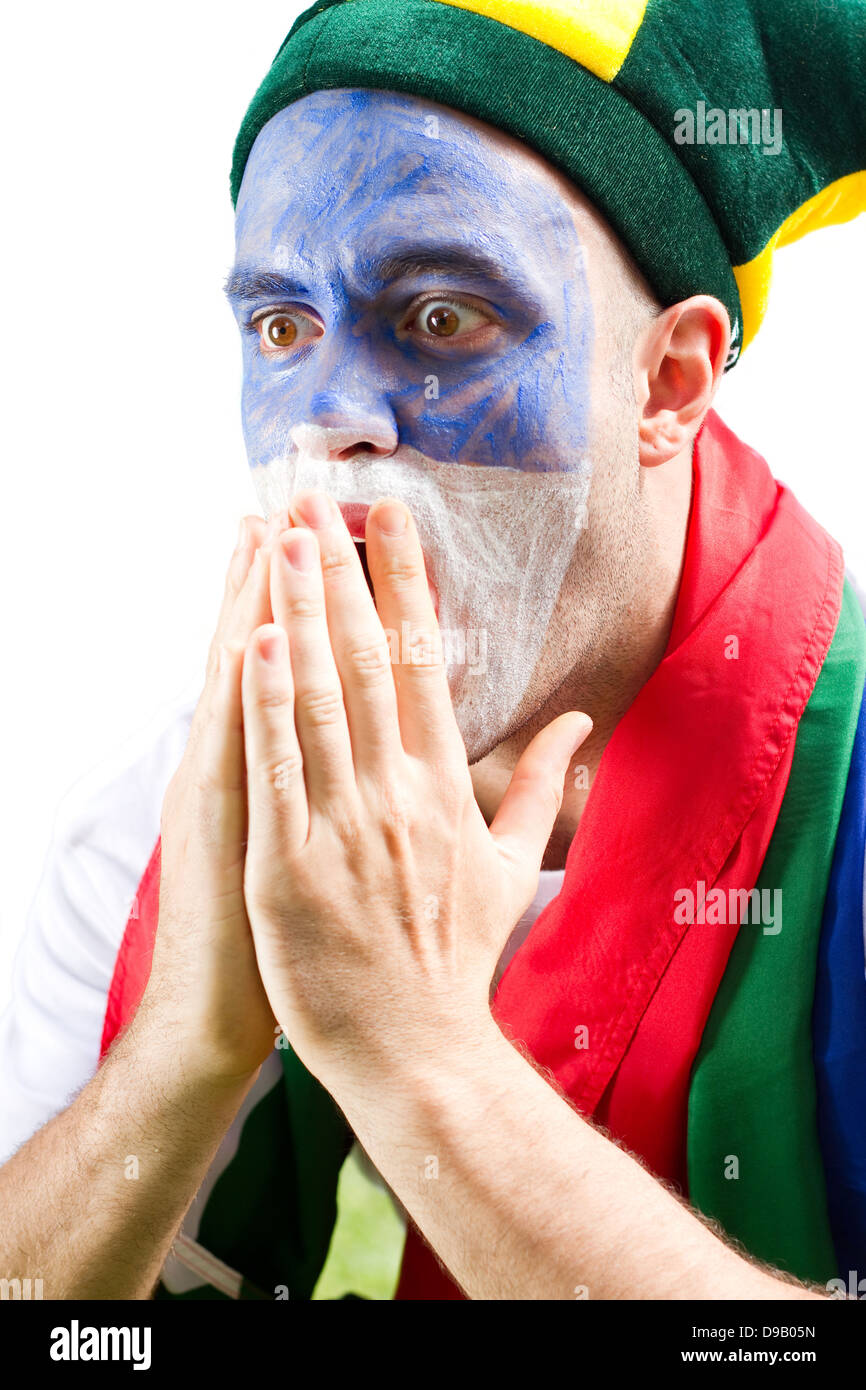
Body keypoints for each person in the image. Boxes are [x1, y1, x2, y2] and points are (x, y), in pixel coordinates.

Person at [0, 0, 864, 1301]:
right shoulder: (155, 824)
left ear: (669, 384)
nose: (330, 419)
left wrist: (413, 1053)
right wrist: (182, 1050)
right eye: (282, 328)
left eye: (443, 317)